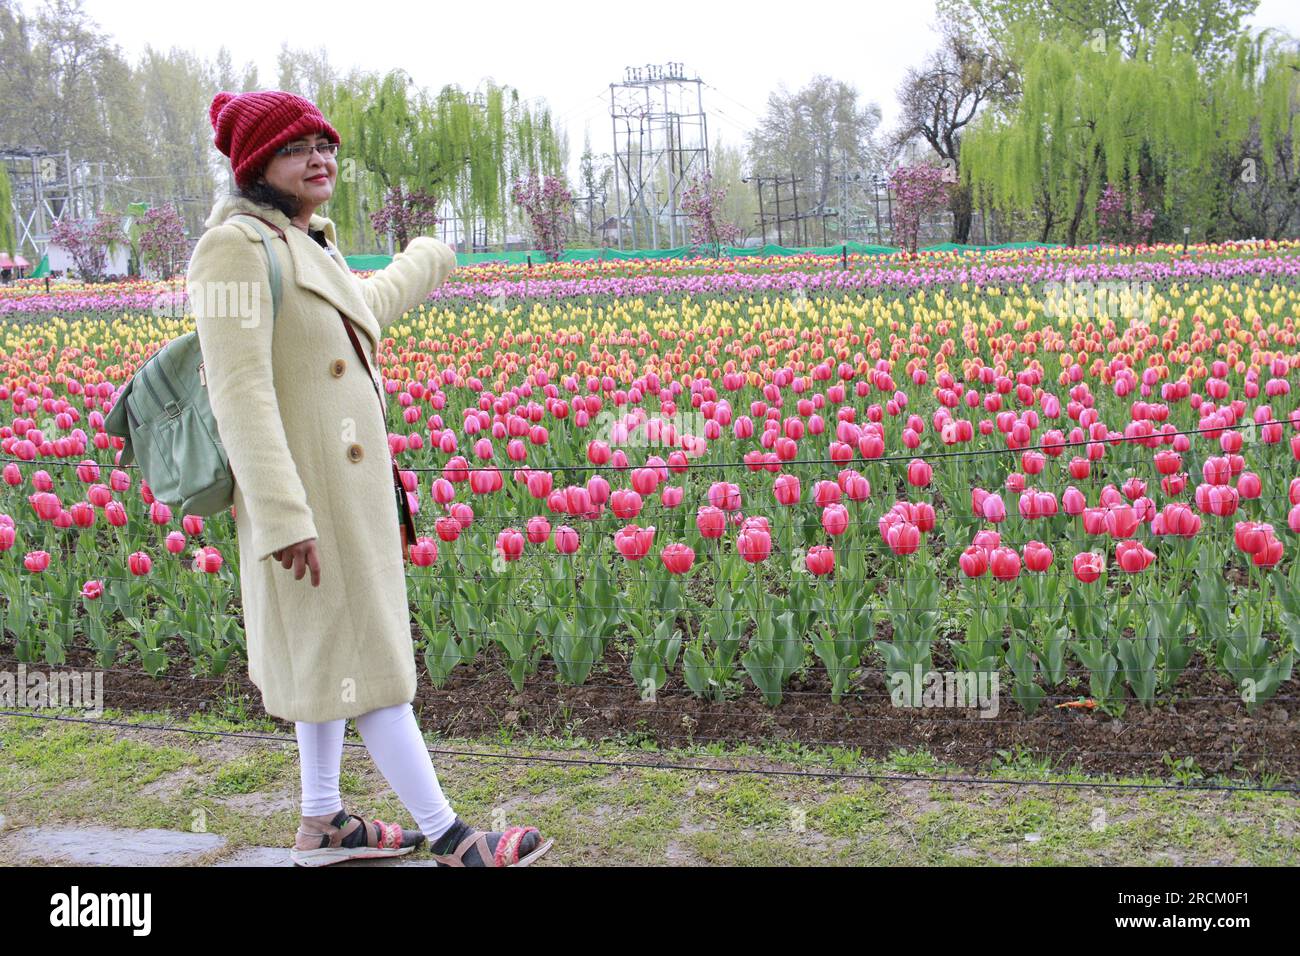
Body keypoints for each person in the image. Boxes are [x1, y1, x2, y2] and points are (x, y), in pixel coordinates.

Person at [192, 89, 552, 867]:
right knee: (372, 665)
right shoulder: (234, 250)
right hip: (305, 502)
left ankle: (323, 823)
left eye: (325, 142)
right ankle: (453, 837)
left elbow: (365, 307)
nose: (320, 156)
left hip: (348, 494)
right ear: (258, 165)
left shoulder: (305, 241)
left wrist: (428, 258)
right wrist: (283, 515)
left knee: (333, 660)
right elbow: (239, 389)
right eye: (297, 147)